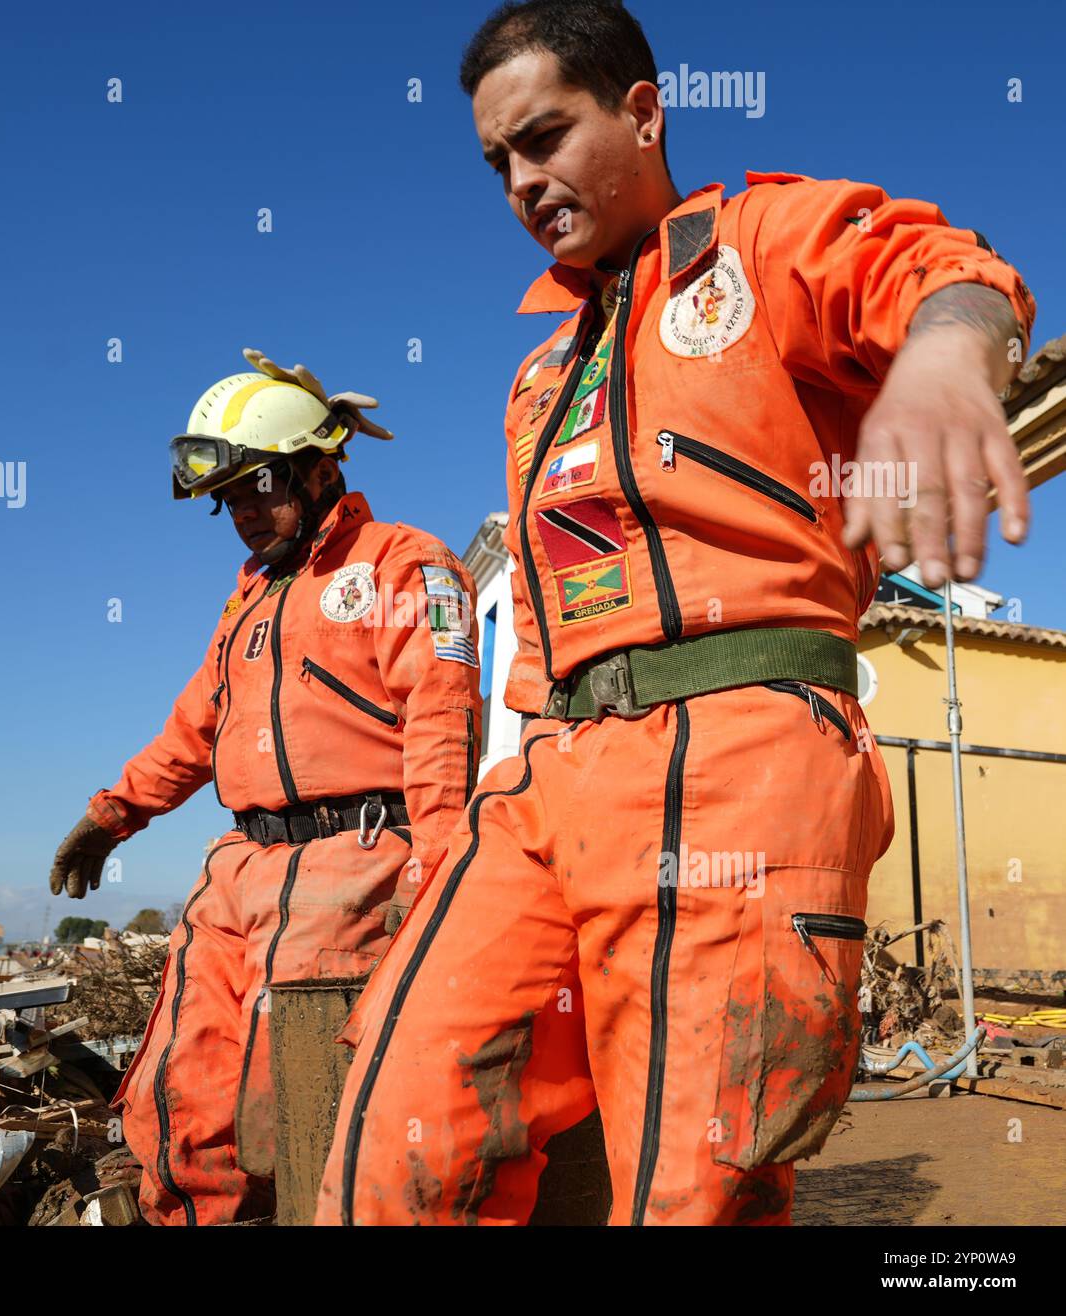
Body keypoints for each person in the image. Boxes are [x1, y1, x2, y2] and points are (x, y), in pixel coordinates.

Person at [316, 0, 1035, 1226]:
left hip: (745, 750)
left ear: (643, 111)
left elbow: (947, 275)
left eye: (545, 136)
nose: (521, 181)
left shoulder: (763, 241)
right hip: (545, 780)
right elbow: (537, 617)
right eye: (497, 161)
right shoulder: (538, 375)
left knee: (693, 1176)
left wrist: (941, 358)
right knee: (403, 1111)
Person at [48, 348, 482, 1224]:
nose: (243, 513)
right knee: (182, 1084)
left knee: (290, 1106)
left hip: (355, 869)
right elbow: (195, 729)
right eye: (231, 498)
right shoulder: (249, 597)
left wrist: (438, 871)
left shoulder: (405, 565)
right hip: (239, 872)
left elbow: (442, 719)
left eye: (260, 488)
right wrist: (112, 814)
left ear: (322, 469)